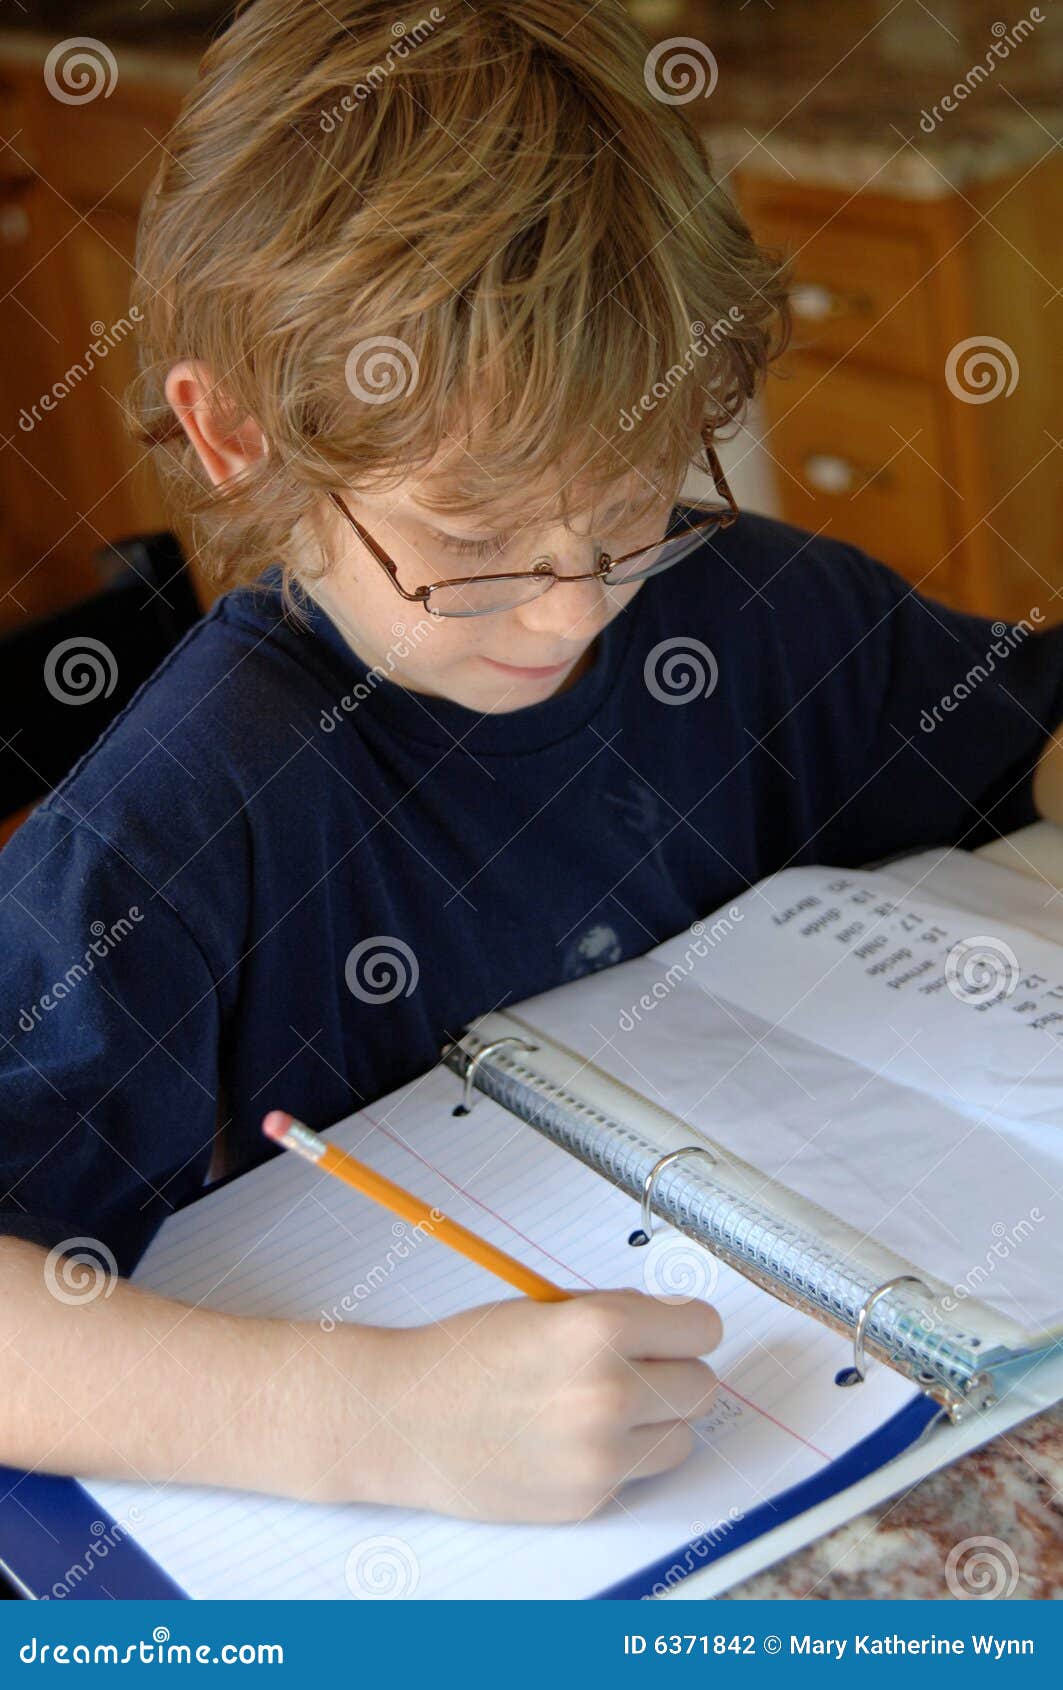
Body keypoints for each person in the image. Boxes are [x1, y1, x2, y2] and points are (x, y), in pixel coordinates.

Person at [2, 0, 1061, 1524]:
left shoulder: (744, 610)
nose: (573, 606)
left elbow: (1027, 734)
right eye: (474, 543)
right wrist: (367, 1419)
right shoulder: (188, 810)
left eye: (633, 507)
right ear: (234, 433)